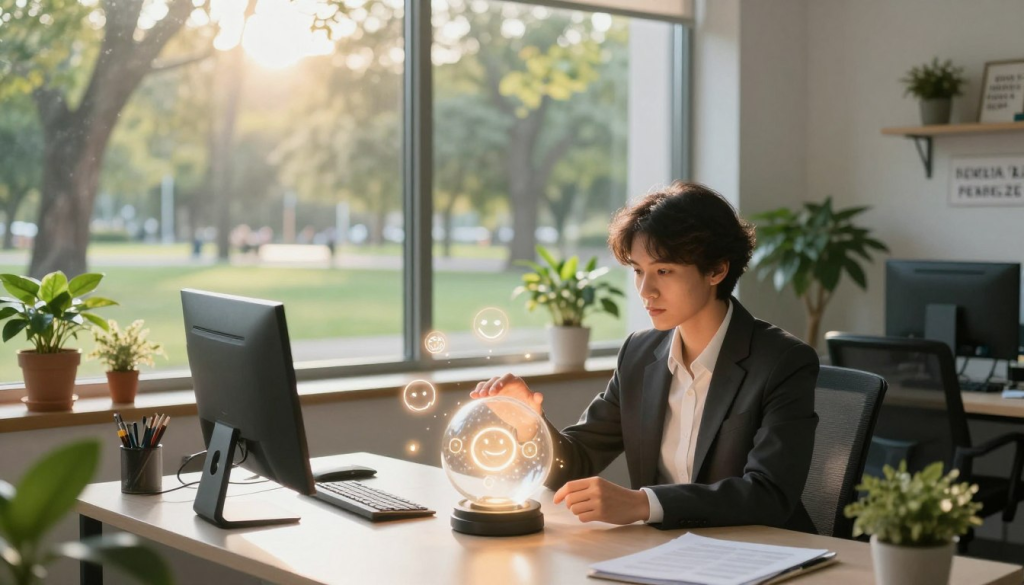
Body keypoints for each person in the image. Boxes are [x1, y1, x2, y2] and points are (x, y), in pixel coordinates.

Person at [471, 182, 819, 532]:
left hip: (766, 554)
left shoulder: (783, 361)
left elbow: (769, 494)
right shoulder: (638, 355)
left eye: (663, 271)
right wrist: (530, 427)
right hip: (666, 553)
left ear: (716, 270)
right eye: (638, 270)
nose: (645, 290)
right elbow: (576, 461)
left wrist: (644, 503)